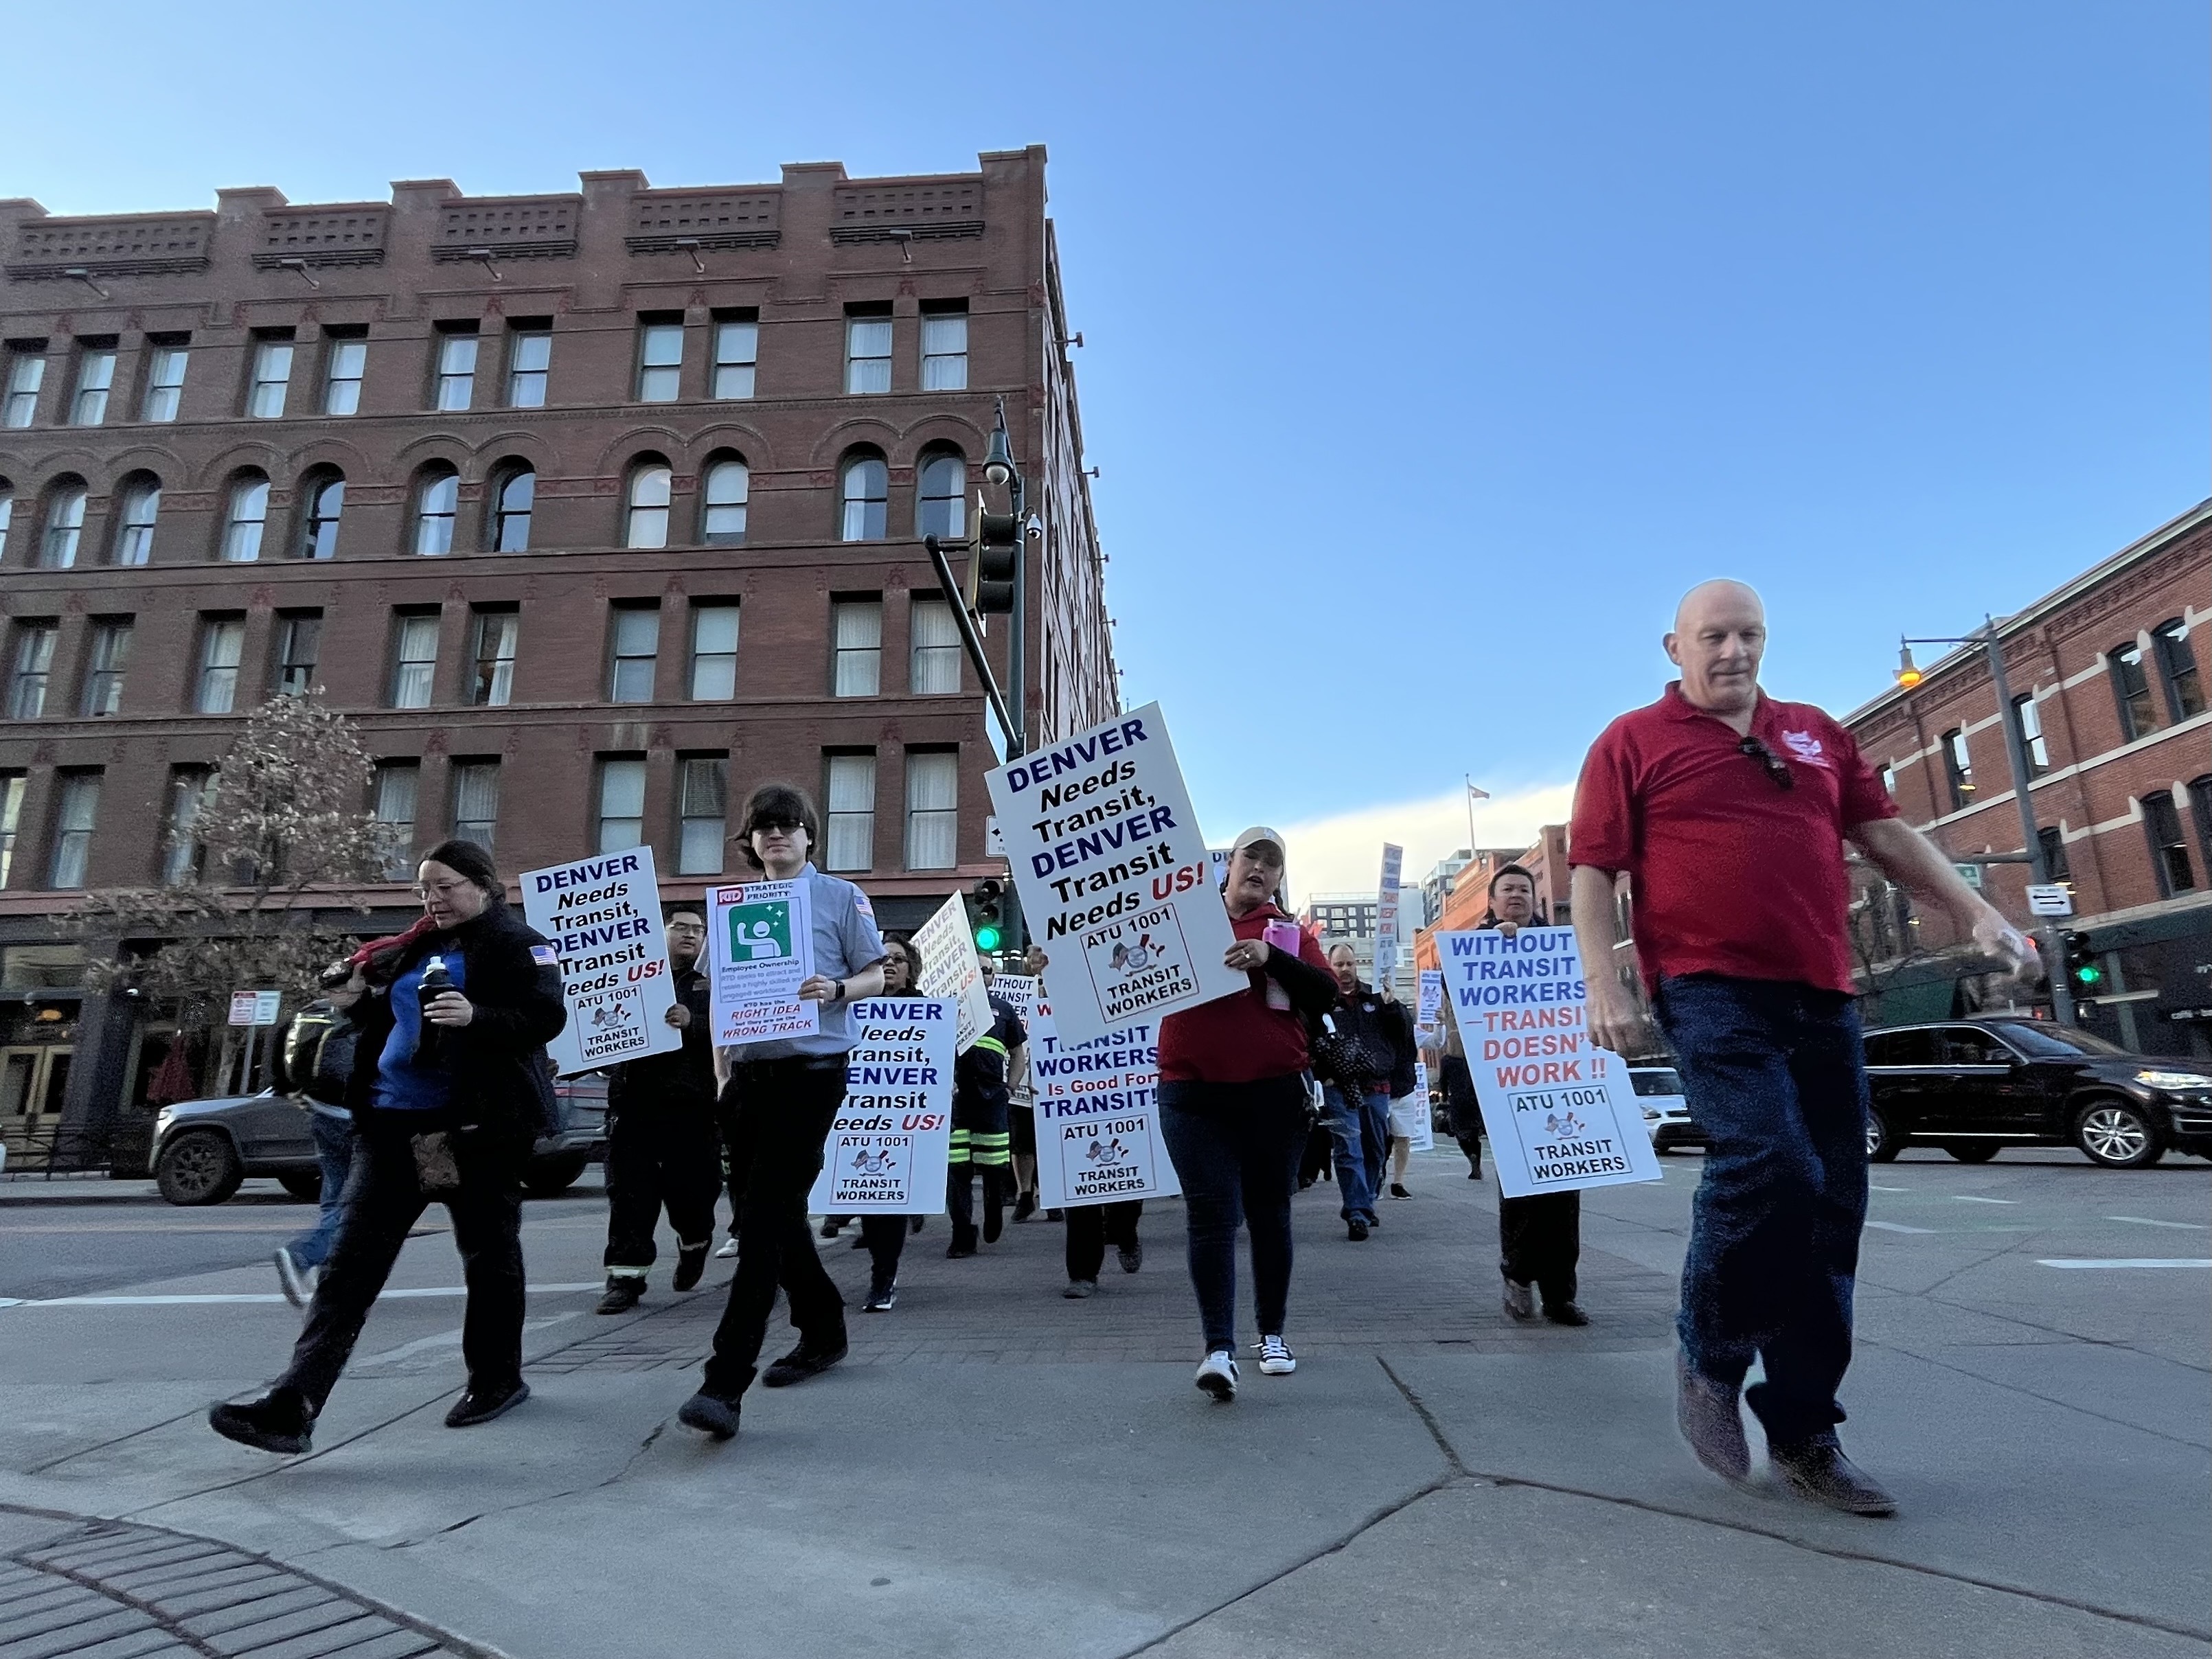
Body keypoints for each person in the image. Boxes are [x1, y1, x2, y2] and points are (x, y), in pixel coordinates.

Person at [1570, 579, 2034, 1518]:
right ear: (1674, 647)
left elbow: (1885, 834)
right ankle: (1708, 1353)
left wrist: (1976, 907)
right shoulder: (1631, 742)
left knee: (1831, 1206)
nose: (1731, 651)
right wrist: (1603, 983)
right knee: (1768, 1161)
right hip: (1707, 987)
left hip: (1822, 992)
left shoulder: (1817, 733)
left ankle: (1805, 1430)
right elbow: (1592, 870)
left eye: (1748, 635)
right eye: (1713, 636)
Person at [209, 840, 567, 1455]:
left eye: (445, 885)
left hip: (475, 1128)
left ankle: (497, 1379)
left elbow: (545, 1018)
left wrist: (478, 1016)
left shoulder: (521, 943)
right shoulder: (416, 946)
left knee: (489, 1257)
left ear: (482, 883)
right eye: (425, 888)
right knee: (350, 1266)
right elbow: (396, 1022)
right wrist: (358, 1005)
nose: (433, 898)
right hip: (391, 1124)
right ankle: (293, 1404)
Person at [678, 783, 886, 1442]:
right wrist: (720, 1072)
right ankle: (822, 1329)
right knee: (773, 1214)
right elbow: (721, 998)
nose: (775, 836)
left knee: (763, 1221)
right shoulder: (734, 907)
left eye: (787, 825)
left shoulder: (841, 897)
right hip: (748, 1078)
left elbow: (876, 973)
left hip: (812, 1075)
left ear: (808, 836)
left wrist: (837, 988)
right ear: (751, 842)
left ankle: (723, 1382)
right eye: (763, 828)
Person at [1156, 826, 1340, 1400]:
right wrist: (1049, 961)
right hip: (1192, 1094)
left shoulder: (1287, 933)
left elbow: (1327, 993)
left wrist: (1270, 959)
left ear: (1280, 877)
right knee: (1210, 1218)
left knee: (1268, 1215)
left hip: (1272, 1095)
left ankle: (1272, 1334)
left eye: (1272, 862)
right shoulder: (1182, 919)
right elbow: (1109, 963)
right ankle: (1218, 1349)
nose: (1260, 868)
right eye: (1250, 857)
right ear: (1227, 865)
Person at [595, 908, 719, 1314]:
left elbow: (742, 1029)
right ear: (659, 932)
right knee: (630, 1196)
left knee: (693, 1193)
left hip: (693, 1106)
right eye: (680, 927)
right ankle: (624, 1281)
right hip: (633, 1105)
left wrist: (696, 1023)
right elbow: (598, 1026)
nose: (691, 935)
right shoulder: (626, 977)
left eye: (698, 930)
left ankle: (695, 1243)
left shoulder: (715, 982)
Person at [1482, 865, 1587, 1325]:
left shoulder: (1560, 946)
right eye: (1507, 890)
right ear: (1492, 901)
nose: (1516, 896)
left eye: (1523, 889)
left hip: (1558, 1082)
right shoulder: (1475, 948)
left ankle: (1560, 1294)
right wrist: (1494, 947)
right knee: (1521, 1192)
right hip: (1507, 1088)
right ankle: (1518, 1276)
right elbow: (1456, 992)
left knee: (1563, 1192)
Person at [271, 960, 367, 1307]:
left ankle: (324, 1270)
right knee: (366, 1201)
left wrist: (291, 1092)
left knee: (336, 1191)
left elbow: (278, 1058)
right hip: (356, 1118)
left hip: (321, 1112)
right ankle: (304, 1255)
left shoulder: (305, 1014)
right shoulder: (359, 1018)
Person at [1316, 943, 1409, 1240]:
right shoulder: (1321, 1002)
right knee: (1347, 1148)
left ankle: (1366, 1202)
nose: (1345, 970)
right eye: (1339, 964)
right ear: (1330, 967)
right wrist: (1323, 1075)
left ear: (1357, 966)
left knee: (1374, 1148)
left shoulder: (1377, 997)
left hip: (1375, 1086)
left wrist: (1393, 1005)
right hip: (1338, 1089)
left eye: (1349, 964)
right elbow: (1307, 1039)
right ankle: (1356, 1212)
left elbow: (1403, 1032)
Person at [854, 935, 927, 1312]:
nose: (889, 965)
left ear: (910, 969)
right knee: (869, 1202)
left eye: (897, 959)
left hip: (904, 1123)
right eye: (881, 958)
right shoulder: (852, 1007)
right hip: (859, 1123)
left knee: (889, 1204)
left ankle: (884, 1277)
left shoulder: (925, 1011)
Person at [946, 983, 1024, 1257]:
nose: (984, 975)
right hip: (955, 1101)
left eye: (988, 970)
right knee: (957, 1170)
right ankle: (962, 1233)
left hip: (992, 1099)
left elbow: (1017, 1053)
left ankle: (994, 1209)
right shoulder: (944, 1005)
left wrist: (1011, 1088)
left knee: (993, 1167)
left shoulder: (1003, 1009)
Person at [1437, 1011, 1483, 1180]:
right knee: (1474, 1133)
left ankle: (1469, 1155)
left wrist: (1444, 1097)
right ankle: (1477, 1162)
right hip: (1474, 1099)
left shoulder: (1447, 1060)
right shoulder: (1473, 1058)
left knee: (1458, 1131)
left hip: (1457, 1100)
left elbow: (1443, 1082)